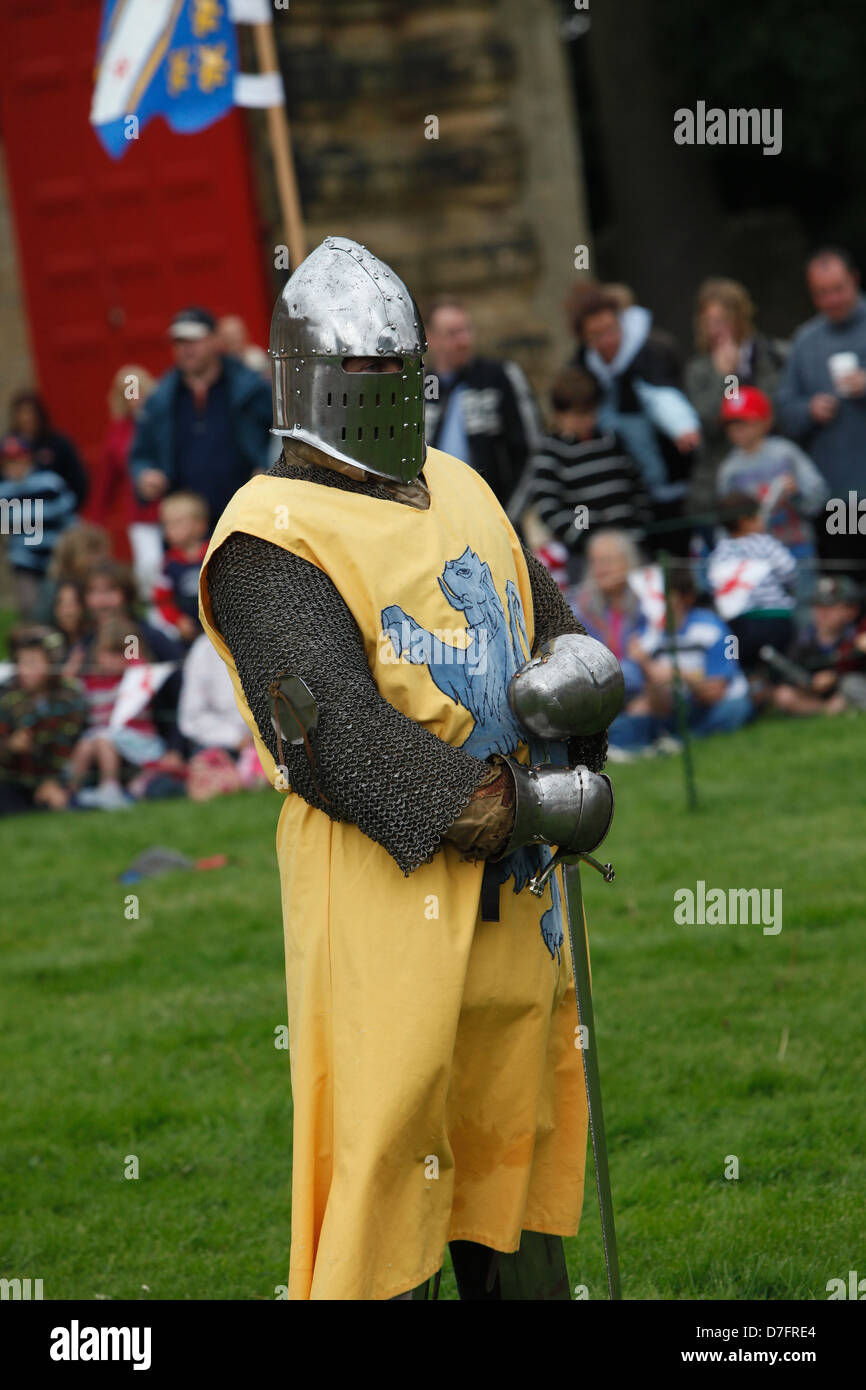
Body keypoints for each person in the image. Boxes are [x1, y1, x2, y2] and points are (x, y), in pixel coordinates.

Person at [199, 236, 621, 1301]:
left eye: (405, 369)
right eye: (368, 374)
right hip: (384, 907)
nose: (393, 393)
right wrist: (526, 804)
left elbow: (548, 627)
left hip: (514, 906)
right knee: (388, 1171)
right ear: (312, 383)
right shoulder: (267, 537)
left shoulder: (462, 485)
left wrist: (583, 679)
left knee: (513, 1155)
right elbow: (333, 741)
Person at [568, 289, 701, 551]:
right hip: (622, 493)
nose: (606, 341)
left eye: (610, 330)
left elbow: (661, 396)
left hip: (668, 481)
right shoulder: (582, 367)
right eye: (596, 335)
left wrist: (682, 427)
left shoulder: (653, 350)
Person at [129, 306, 272, 527]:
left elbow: (280, 440)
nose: (186, 349)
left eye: (193, 340)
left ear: (215, 340)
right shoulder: (160, 399)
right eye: (179, 342)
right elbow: (141, 454)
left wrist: (266, 468)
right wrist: (145, 475)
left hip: (249, 517)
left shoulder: (251, 388)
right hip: (188, 531)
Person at [775, 248, 866, 578]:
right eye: (821, 293)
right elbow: (784, 412)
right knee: (845, 590)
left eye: (838, 288)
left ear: (854, 280)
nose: (832, 299)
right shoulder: (804, 342)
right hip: (834, 498)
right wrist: (809, 410)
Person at [521, 367, 651, 575]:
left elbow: (636, 484)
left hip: (630, 543)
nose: (586, 421)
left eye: (590, 413)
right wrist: (581, 535)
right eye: (577, 415)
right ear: (559, 415)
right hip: (585, 556)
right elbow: (548, 506)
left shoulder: (611, 441)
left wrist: (639, 524)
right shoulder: (552, 452)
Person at [609, 567, 752, 752]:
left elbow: (715, 693)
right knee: (624, 721)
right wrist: (645, 666)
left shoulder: (713, 628)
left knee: (735, 709)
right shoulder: (647, 637)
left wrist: (678, 675)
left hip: (713, 705)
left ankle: (674, 741)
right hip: (677, 709)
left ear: (686, 598)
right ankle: (666, 740)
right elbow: (659, 706)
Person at [423, 297, 541, 509]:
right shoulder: (420, 388)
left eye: (466, 330)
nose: (464, 340)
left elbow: (532, 449)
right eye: (453, 333)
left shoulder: (501, 376)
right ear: (430, 338)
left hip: (495, 511)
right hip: (440, 516)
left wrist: (509, 516)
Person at [684, 278, 789, 511]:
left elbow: (775, 412)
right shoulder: (698, 369)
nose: (715, 330)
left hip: (773, 479)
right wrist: (725, 378)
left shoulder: (774, 355)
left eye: (721, 321)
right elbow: (708, 425)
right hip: (722, 487)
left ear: (740, 318)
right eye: (708, 322)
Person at [716, 385, 827, 595]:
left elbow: (818, 495)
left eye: (744, 422)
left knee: (804, 608)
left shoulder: (785, 453)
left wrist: (796, 494)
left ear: (765, 422)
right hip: (754, 558)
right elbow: (725, 522)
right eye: (731, 424)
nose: (737, 429)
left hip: (796, 545)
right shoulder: (729, 469)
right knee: (768, 611)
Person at [67, 617, 166, 810]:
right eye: (108, 653)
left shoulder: (134, 678)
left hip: (137, 737)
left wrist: (130, 642)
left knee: (103, 738)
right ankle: (71, 791)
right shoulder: (92, 680)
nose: (113, 660)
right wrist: (72, 667)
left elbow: (140, 662)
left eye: (119, 653)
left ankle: (109, 787)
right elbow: (68, 689)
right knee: (85, 743)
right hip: (103, 736)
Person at [0, 626, 87, 816]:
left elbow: (67, 746)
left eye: (32, 663)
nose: (25, 670)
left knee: (61, 806)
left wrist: (53, 782)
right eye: (21, 663)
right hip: (12, 779)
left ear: (52, 663)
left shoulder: (70, 698)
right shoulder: (7, 697)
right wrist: (10, 746)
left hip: (58, 777)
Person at [707, 493, 797, 672]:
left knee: (743, 663)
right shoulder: (765, 543)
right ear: (745, 521)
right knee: (779, 665)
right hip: (775, 618)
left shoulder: (720, 552)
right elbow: (789, 570)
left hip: (738, 625)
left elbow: (714, 585)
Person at [89, 365, 159, 593]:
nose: (134, 397)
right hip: (140, 514)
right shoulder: (118, 432)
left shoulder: (163, 423)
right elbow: (105, 483)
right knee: (149, 566)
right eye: (128, 392)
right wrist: (96, 522)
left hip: (172, 508)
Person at [0, 433, 77, 617]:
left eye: (19, 459)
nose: (15, 466)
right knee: (30, 606)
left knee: (55, 602)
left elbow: (69, 517)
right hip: (24, 559)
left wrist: (68, 550)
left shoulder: (49, 484)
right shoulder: (4, 493)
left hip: (54, 557)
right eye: (9, 462)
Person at [568, 529, 646, 701]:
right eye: (594, 562)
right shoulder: (580, 609)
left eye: (607, 561)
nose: (600, 569)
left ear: (627, 563)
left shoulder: (646, 604)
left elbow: (648, 659)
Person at [771, 575, 866, 716]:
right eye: (818, 606)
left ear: (851, 610)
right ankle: (828, 710)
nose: (822, 613)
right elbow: (789, 671)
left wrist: (835, 676)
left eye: (830, 607)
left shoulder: (858, 633)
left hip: (850, 685)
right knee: (784, 695)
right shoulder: (803, 639)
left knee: (851, 684)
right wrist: (810, 682)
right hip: (817, 694)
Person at [7, 390, 89, 509]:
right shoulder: (7, 447)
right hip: (19, 520)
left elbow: (78, 481)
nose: (26, 418)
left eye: (30, 412)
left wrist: (69, 509)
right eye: (22, 413)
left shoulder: (58, 445)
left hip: (58, 514)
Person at [151, 491, 210, 644]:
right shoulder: (168, 564)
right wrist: (177, 621)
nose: (169, 530)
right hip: (186, 633)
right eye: (166, 524)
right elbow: (162, 600)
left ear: (200, 525)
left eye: (176, 523)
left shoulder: (213, 554)